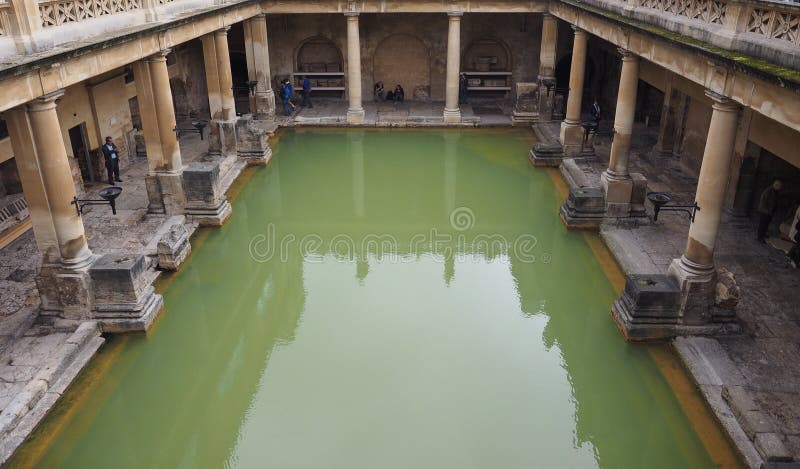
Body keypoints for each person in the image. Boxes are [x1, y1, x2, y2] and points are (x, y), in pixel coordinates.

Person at [757, 179, 783, 243]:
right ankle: (760, 237)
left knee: (766, 224)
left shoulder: (775, 191)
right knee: (762, 224)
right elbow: (763, 201)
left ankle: (763, 234)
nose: (780, 188)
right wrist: (767, 210)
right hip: (765, 211)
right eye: (780, 186)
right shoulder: (768, 191)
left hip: (769, 211)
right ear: (776, 185)